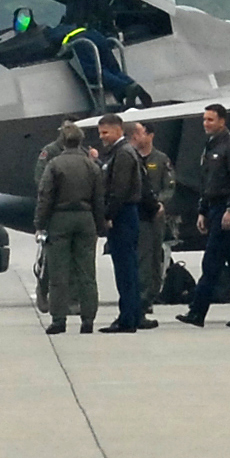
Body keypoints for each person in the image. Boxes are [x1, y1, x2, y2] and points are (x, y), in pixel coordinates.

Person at [176, 104, 230, 328]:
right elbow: (207, 181)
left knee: (211, 260)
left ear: (222, 121)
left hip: (226, 208)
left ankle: (197, 311)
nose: (206, 124)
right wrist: (202, 210)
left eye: (210, 120)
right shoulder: (211, 145)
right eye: (204, 119)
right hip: (214, 207)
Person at [35, 122, 103, 334]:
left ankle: (59, 320)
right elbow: (99, 198)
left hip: (60, 220)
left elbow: (45, 196)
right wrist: (100, 225)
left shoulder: (54, 165)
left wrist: (40, 224)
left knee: (59, 272)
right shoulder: (92, 165)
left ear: (62, 141)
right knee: (87, 273)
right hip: (85, 219)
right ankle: (88, 320)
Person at [95, 113, 153, 333]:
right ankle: (134, 314)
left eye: (105, 132)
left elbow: (119, 190)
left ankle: (127, 318)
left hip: (124, 214)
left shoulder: (123, 155)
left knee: (125, 269)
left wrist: (108, 215)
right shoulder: (120, 153)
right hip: (125, 213)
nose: (102, 137)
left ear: (119, 131)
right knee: (127, 267)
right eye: (101, 133)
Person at [51, 10, 153, 107]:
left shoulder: (51, 31)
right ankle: (131, 84)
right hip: (95, 34)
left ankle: (125, 88)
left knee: (94, 71)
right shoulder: (74, 22)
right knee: (112, 68)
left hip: (81, 41)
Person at [132, 119, 176, 313]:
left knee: (154, 257)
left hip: (155, 216)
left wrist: (160, 203)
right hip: (135, 215)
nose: (135, 137)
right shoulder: (130, 158)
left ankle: (149, 295)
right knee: (138, 257)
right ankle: (139, 295)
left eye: (139, 133)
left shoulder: (160, 159)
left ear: (150, 136)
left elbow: (170, 186)